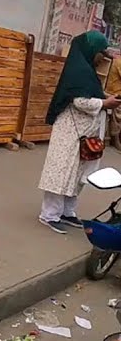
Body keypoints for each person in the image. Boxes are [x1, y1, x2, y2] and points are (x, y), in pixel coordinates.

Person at [37, 31, 120, 233]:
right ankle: (49, 214)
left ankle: (67, 212)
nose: (102, 57)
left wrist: (107, 98)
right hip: (70, 133)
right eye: (101, 52)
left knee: (78, 174)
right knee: (62, 173)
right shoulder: (78, 72)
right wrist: (104, 103)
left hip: (85, 135)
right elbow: (79, 100)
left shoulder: (87, 70)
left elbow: (91, 94)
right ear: (91, 50)